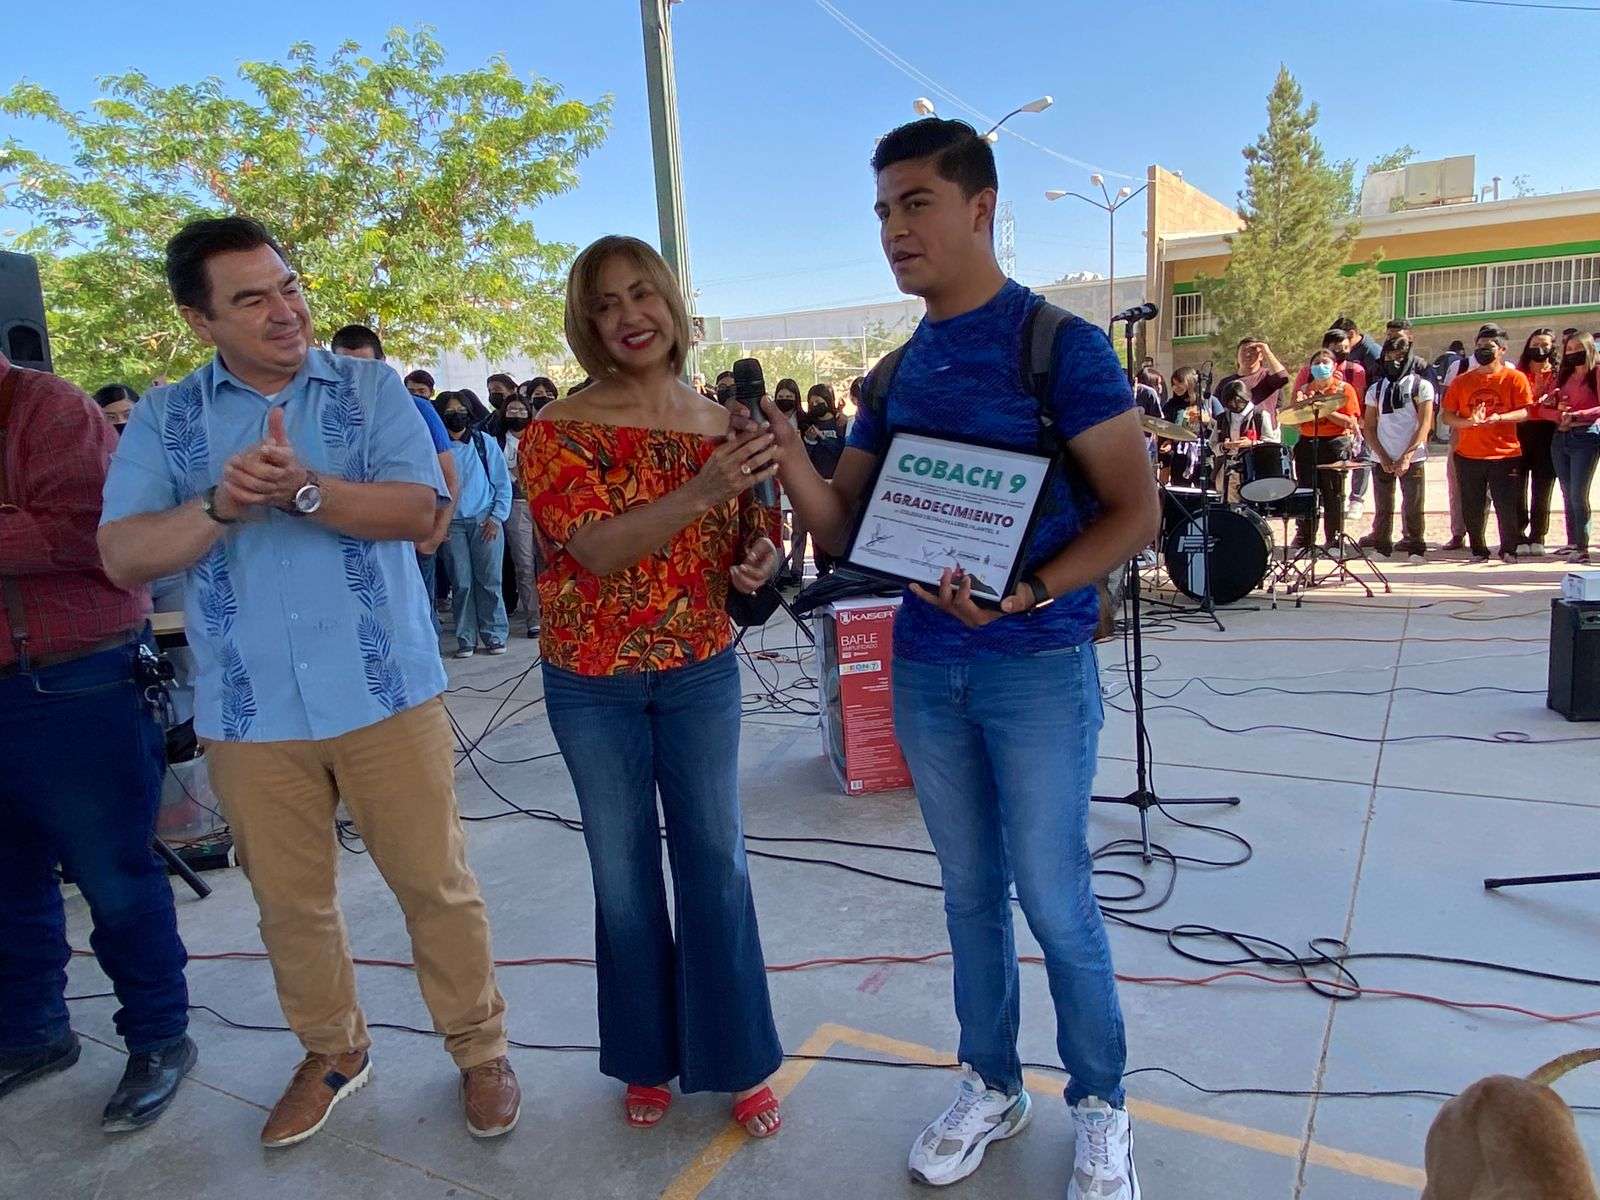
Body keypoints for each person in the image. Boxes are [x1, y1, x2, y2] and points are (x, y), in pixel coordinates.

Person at [759, 117, 1152, 1199]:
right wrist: (791, 458)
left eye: (916, 204)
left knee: (1056, 898)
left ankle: (1101, 1104)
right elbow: (845, 529)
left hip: (1037, 666)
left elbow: (1135, 513)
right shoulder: (895, 374)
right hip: (926, 663)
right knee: (969, 893)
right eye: (883, 210)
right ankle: (991, 1083)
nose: (894, 229)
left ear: (981, 209)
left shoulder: (1060, 348)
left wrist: (1028, 592)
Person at [98, 216, 519, 1146]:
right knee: (291, 905)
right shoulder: (167, 419)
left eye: (287, 286)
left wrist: (303, 490)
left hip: (384, 694)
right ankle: (333, 1053)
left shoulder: (370, 388)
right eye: (251, 298)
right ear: (199, 319)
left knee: (435, 884)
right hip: (249, 712)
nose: (285, 310)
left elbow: (421, 512)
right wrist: (221, 503)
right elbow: (124, 555)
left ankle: (479, 1048)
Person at [522, 235, 785, 1140]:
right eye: (605, 304)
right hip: (590, 684)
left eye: (641, 293)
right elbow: (596, 549)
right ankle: (645, 1055)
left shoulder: (728, 427)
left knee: (716, 862)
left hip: (699, 670)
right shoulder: (557, 430)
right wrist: (705, 489)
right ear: (586, 323)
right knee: (623, 873)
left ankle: (739, 1060)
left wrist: (759, 559)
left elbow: (756, 536)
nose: (628, 316)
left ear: (671, 303)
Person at [0, 353, 194, 1132]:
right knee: (7, 882)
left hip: (72, 682)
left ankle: (158, 1037)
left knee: (114, 877)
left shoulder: (48, 407)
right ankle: (33, 1033)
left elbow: (84, 534)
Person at [329, 325, 459, 629]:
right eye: (346, 366)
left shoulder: (415, 408)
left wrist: (432, 539)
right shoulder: (325, 413)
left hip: (406, 542)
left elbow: (450, 478)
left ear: (383, 365)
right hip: (346, 547)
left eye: (365, 366)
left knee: (416, 622)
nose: (356, 375)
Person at [1439, 323, 1533, 564]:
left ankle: (1508, 549)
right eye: (1479, 345)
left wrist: (1500, 417)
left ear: (1502, 350)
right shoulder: (1461, 381)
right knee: (1472, 505)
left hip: (1505, 454)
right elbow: (1447, 415)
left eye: (1488, 346)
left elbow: (1525, 412)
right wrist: (1468, 422)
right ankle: (1478, 550)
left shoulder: (1515, 378)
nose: (1483, 350)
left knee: (1507, 505)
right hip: (1468, 454)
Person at [435, 391, 512, 657]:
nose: (456, 416)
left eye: (461, 410)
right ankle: (466, 638)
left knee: (490, 581)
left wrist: (496, 517)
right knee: (462, 583)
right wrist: (439, 523)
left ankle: (494, 635)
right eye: (450, 412)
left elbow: (502, 483)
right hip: (452, 523)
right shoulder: (435, 448)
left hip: (484, 520)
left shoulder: (484, 442)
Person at [1361, 335, 1435, 563]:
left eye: (1400, 357)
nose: (1394, 361)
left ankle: (1416, 547)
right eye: (1389, 356)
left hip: (1413, 456)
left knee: (1413, 504)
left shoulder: (1421, 386)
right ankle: (1382, 546)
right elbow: (1369, 426)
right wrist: (1382, 455)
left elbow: (1424, 424)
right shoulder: (1376, 389)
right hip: (1382, 454)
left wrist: (1407, 456)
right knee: (1383, 505)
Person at [1287, 347, 1362, 551]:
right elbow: (1294, 420)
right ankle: (1305, 537)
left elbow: (1350, 422)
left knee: (1333, 494)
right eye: (1316, 363)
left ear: (1334, 366)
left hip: (1334, 443)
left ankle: (1334, 539)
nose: (1321, 366)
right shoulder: (1304, 389)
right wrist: (1302, 408)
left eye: (1325, 362)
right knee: (1307, 493)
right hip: (1307, 443)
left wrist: (1324, 409)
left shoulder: (1344, 389)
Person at [1551, 332, 1600, 564]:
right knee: (1567, 491)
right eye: (1569, 349)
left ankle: (1583, 547)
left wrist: (1578, 414)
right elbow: (1550, 403)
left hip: (1585, 436)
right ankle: (1572, 542)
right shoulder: (1564, 375)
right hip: (1561, 436)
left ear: (1589, 348)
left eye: (1578, 348)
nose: (1572, 353)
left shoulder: (1596, 372)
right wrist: (1556, 410)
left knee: (1579, 493)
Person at [493, 392, 540, 635]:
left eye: (522, 410)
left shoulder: (540, 437)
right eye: (512, 410)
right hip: (515, 506)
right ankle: (534, 618)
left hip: (542, 505)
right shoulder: (497, 442)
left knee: (548, 562)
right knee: (524, 563)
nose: (517, 414)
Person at [1513, 328, 1560, 556]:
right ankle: (1519, 534)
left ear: (1552, 348)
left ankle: (1538, 535)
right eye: (1535, 344)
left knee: (1542, 487)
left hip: (1548, 434)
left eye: (1544, 345)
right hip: (1519, 433)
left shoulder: (1559, 375)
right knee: (1517, 486)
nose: (1539, 349)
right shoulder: (1518, 374)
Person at [1215, 335, 1290, 426]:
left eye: (1253, 351)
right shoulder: (1226, 383)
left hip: (1265, 432)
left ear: (1261, 356)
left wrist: (1266, 350)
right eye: (1244, 351)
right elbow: (1217, 410)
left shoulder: (1268, 377)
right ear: (1237, 356)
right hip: (1235, 432)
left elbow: (1283, 378)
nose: (1248, 354)